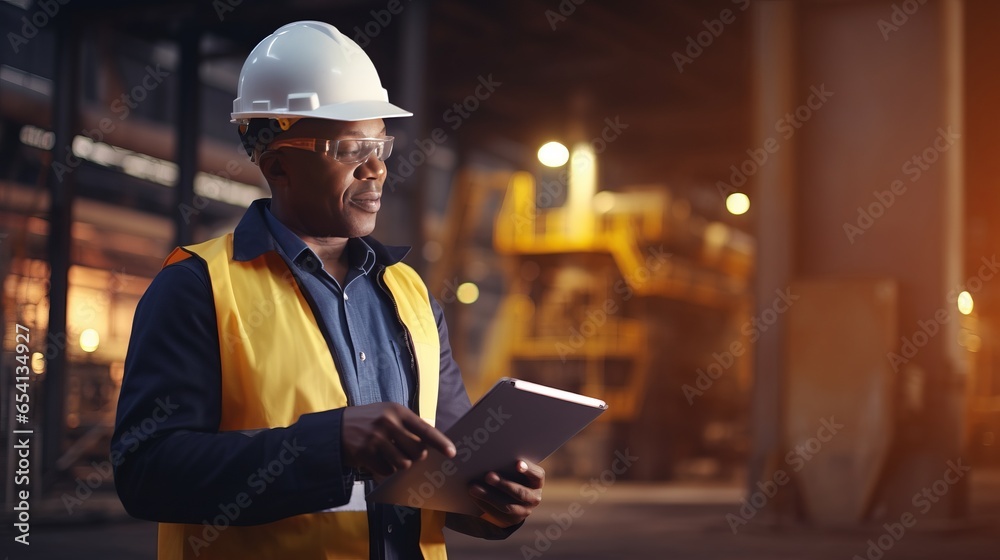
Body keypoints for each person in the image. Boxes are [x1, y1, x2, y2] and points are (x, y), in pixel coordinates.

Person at [112, 20, 543, 560]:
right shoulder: (197, 289)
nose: (377, 167)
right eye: (350, 147)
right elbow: (146, 471)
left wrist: (494, 503)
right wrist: (327, 445)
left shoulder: (412, 297)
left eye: (381, 143)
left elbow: (447, 471)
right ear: (279, 164)